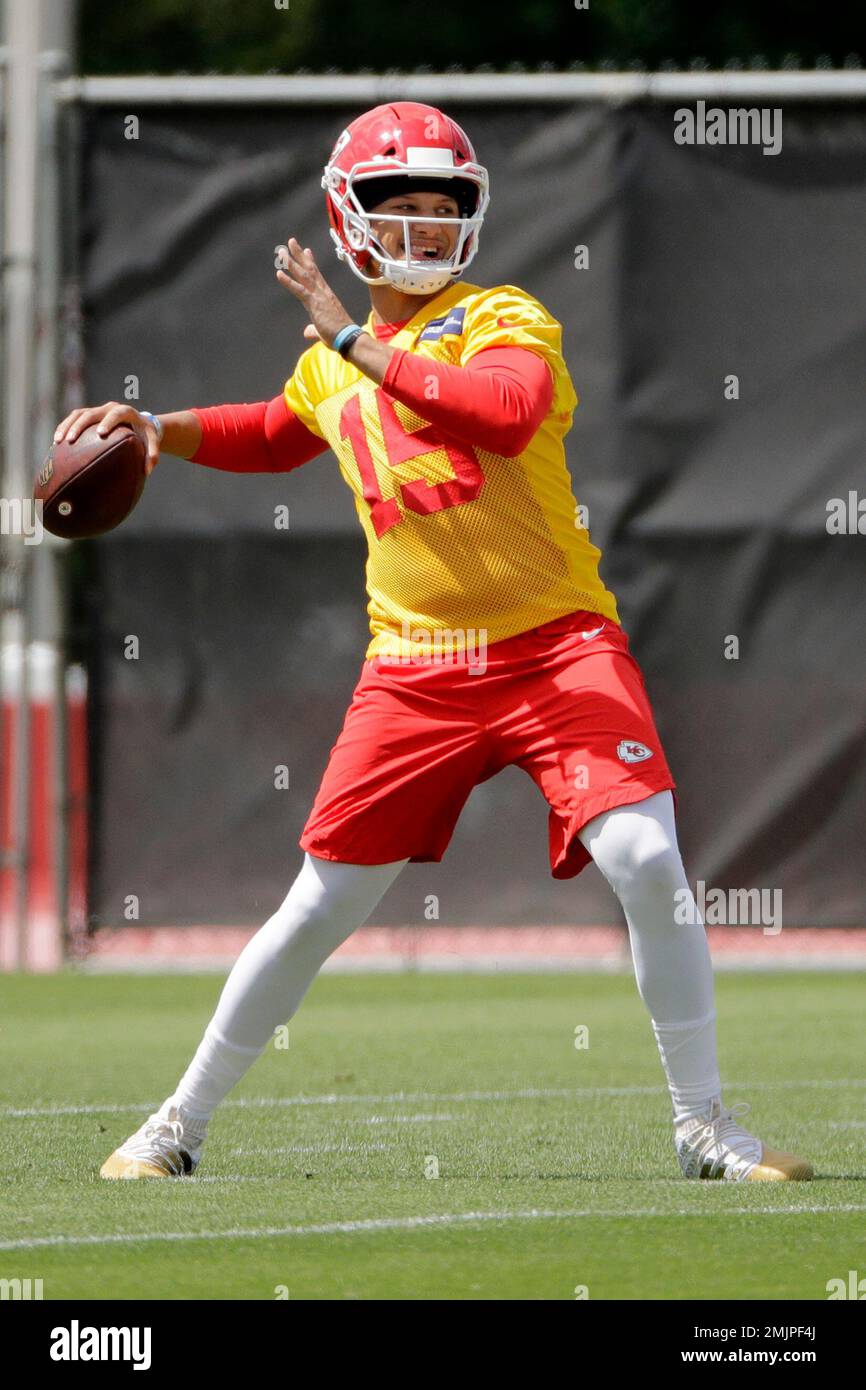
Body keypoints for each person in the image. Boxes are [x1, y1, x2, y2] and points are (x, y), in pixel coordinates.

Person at [55, 102, 811, 1184]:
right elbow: (278, 429)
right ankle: (175, 1124)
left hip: (555, 646)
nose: (419, 228)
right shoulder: (329, 366)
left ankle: (702, 1126)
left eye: (438, 208)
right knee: (319, 904)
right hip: (414, 668)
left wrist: (354, 339)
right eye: (395, 207)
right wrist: (157, 431)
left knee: (645, 856)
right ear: (346, 216)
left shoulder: (503, 314)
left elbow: (499, 415)